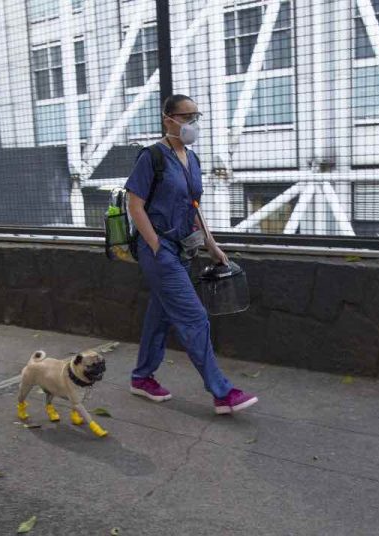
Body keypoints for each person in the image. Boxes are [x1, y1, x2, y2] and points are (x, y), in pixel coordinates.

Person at [125, 94, 258, 415]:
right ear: (167, 119)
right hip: (160, 251)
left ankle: (142, 377)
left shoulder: (192, 159)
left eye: (196, 116)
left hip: (182, 247)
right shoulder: (152, 157)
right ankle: (222, 393)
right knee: (194, 317)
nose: (192, 124)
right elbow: (135, 204)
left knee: (161, 315)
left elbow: (192, 206)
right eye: (186, 117)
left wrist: (212, 245)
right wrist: (156, 245)